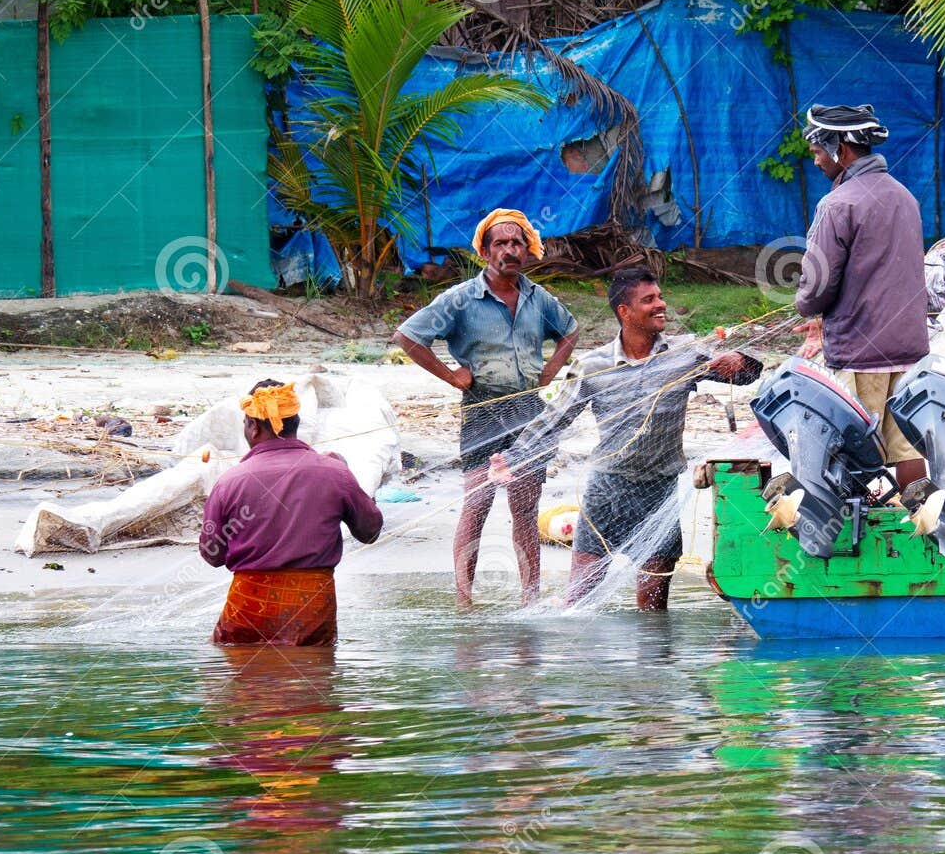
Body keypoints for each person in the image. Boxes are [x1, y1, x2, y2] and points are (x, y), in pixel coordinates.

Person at [488, 268, 761, 611]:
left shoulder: (685, 354)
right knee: (579, 602)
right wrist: (514, 456)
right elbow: (556, 418)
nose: (661, 305)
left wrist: (740, 361)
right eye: (649, 300)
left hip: (658, 493)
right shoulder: (593, 365)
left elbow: (749, 375)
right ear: (625, 312)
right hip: (607, 490)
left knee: (653, 609)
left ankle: (651, 665)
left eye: (660, 296)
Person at [396, 208, 580, 607]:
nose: (509, 251)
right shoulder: (461, 299)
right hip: (481, 409)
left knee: (525, 510)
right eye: (500, 243)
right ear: (484, 251)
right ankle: (465, 600)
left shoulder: (538, 297)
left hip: (529, 412)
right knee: (476, 505)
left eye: (517, 243)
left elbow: (570, 330)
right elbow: (408, 337)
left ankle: (529, 599)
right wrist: (451, 376)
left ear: (528, 250)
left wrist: (548, 373)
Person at [793, 103, 930, 490]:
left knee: (851, 446)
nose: (817, 161)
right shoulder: (905, 197)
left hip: (859, 349)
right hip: (909, 346)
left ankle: (859, 540)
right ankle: (912, 527)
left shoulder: (838, 204)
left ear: (841, 148)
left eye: (820, 152)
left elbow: (817, 287)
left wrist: (804, 304)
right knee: (907, 448)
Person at [201, 379, 383, 648]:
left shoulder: (230, 481)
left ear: (253, 427)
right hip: (311, 608)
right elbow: (370, 532)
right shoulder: (335, 472)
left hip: (250, 608)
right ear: (295, 424)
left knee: (244, 678)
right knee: (310, 678)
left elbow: (211, 554)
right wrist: (349, 476)